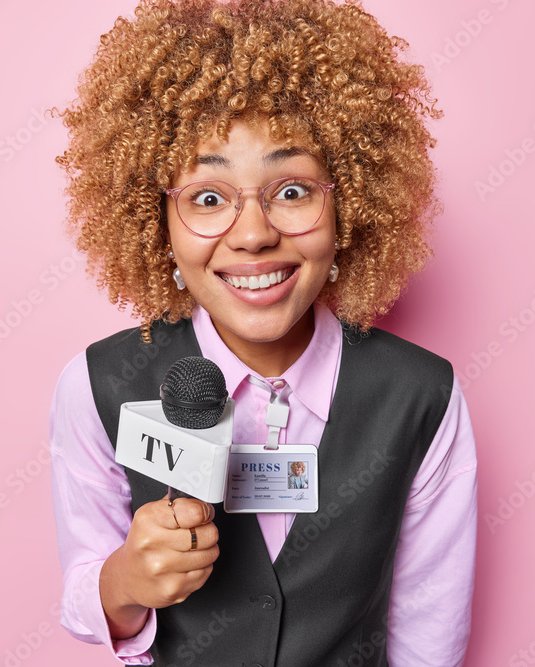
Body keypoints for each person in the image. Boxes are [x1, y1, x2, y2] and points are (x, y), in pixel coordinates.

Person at [49, 0, 478, 664]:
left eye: (293, 190)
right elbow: (85, 589)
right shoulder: (97, 386)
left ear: (350, 205)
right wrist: (126, 581)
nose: (253, 234)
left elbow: (430, 632)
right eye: (209, 197)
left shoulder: (422, 396)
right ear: (154, 221)